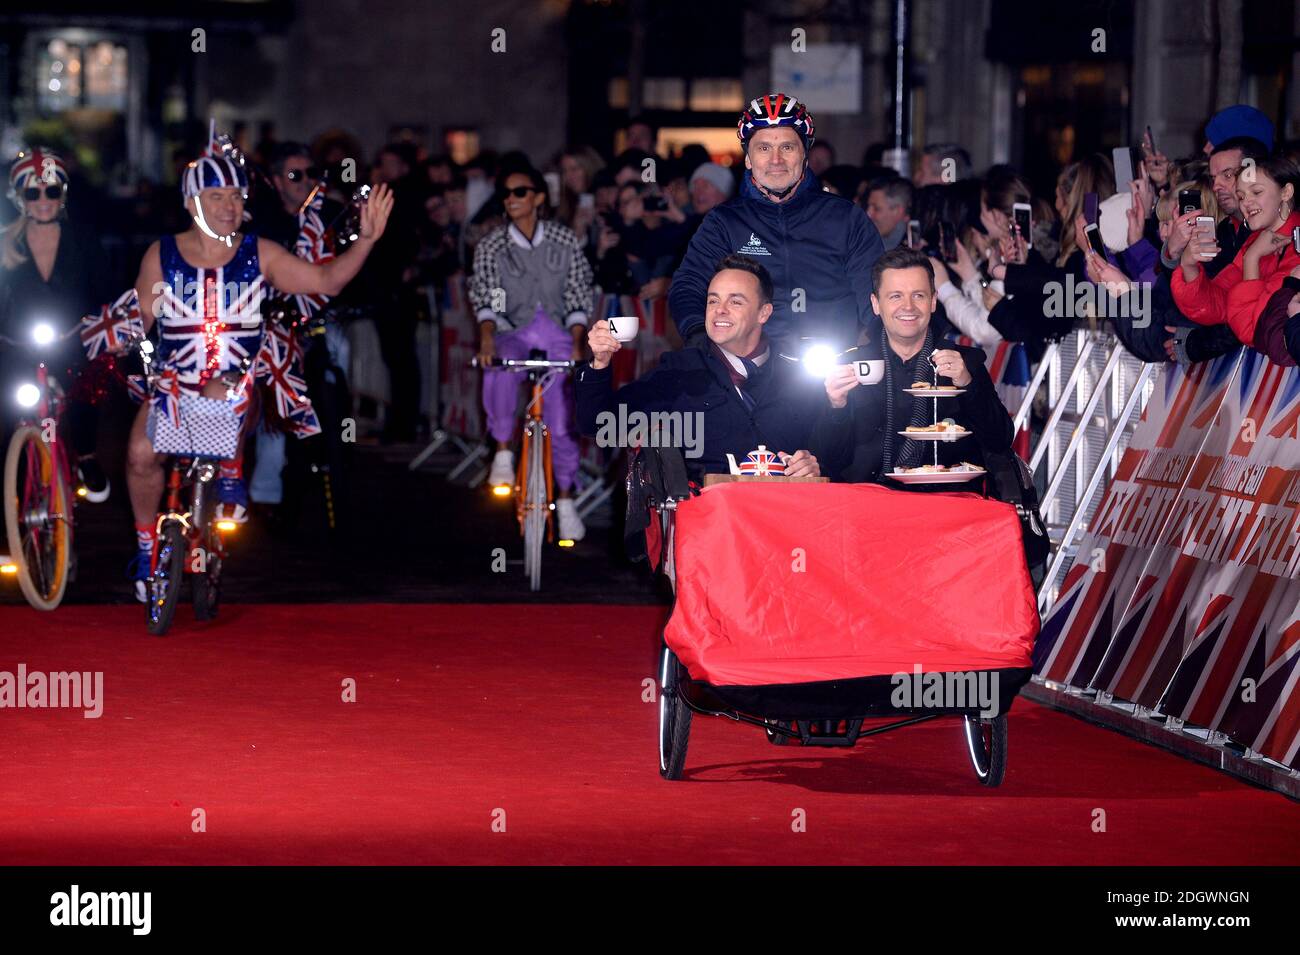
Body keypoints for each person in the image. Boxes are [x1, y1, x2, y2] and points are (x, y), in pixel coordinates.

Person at [126, 147, 393, 599]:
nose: (231, 206)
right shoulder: (163, 253)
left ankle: (231, 471)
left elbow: (325, 282)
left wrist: (365, 241)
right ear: (192, 202)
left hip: (236, 381)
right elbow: (138, 317)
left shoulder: (260, 252)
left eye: (236, 195)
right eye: (217, 196)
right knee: (139, 454)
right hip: (174, 379)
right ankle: (147, 547)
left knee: (218, 388)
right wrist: (111, 340)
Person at [577, 255, 839, 481]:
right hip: (706, 525)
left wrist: (815, 464)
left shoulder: (799, 375)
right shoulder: (679, 371)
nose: (719, 311)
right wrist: (600, 363)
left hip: (783, 525)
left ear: (764, 313)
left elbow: (833, 455)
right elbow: (598, 424)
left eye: (735, 302)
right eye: (713, 301)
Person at [669, 92, 884, 352]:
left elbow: (877, 291)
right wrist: (699, 336)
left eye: (787, 147)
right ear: (748, 159)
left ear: (804, 155)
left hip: (834, 364)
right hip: (749, 363)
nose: (776, 160)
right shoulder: (724, 222)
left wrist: (876, 347)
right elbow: (688, 284)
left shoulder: (846, 218)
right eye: (763, 148)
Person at [470, 162, 593, 542]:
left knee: (561, 417)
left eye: (519, 192)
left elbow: (577, 291)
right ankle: (503, 448)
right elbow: (490, 294)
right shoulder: (493, 245)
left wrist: (576, 341)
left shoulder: (564, 239)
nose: (511, 200)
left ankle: (567, 497)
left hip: (557, 333)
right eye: (505, 194)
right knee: (499, 370)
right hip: (512, 331)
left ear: (539, 197)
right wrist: (488, 336)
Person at [823, 248, 1013, 487]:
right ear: (875, 304)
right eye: (895, 296)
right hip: (869, 507)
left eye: (918, 296)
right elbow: (827, 460)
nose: (908, 307)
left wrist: (968, 385)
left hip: (947, 507)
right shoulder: (849, 368)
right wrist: (836, 408)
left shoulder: (964, 362)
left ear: (933, 301)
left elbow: (1000, 441)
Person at [0, 149, 112, 503]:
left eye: (51, 191)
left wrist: (110, 327)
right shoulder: (5, 243)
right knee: (6, 421)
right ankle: (11, 508)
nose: (43, 201)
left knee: (85, 388)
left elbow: (106, 289)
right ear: (20, 198)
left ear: (62, 194)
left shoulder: (84, 239)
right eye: (33, 193)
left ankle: (86, 456)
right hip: (15, 346)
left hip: (71, 340)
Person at [1172, 155, 1300, 345]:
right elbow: (1216, 306)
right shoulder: (1255, 241)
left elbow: (1255, 330)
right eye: (1241, 196)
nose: (1246, 203)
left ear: (1286, 192)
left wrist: (1251, 259)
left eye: (1256, 192)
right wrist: (1189, 265)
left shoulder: (1292, 247)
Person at [863, 176, 913, 251]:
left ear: (897, 211)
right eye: (868, 207)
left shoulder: (913, 250)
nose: (868, 214)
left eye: (876, 209)